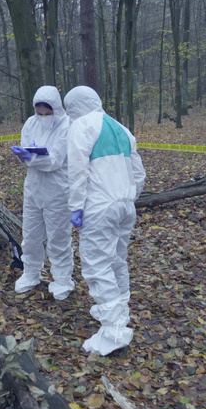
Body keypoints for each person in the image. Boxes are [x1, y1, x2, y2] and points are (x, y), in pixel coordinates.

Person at [63, 85, 145, 356]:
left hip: (99, 206)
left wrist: (76, 206)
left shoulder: (82, 125)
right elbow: (138, 171)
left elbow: (77, 169)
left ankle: (114, 331)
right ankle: (119, 312)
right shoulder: (120, 127)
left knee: (97, 265)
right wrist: (129, 196)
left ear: (73, 107)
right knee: (116, 260)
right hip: (124, 205)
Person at [9, 86, 76, 300]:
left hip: (57, 190)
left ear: (56, 108)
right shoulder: (31, 123)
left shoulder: (67, 125)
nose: (43, 116)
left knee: (58, 236)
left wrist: (32, 158)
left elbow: (55, 161)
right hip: (33, 189)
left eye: (47, 112)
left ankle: (63, 279)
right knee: (30, 234)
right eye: (40, 112)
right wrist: (27, 156)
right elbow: (25, 150)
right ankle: (31, 273)